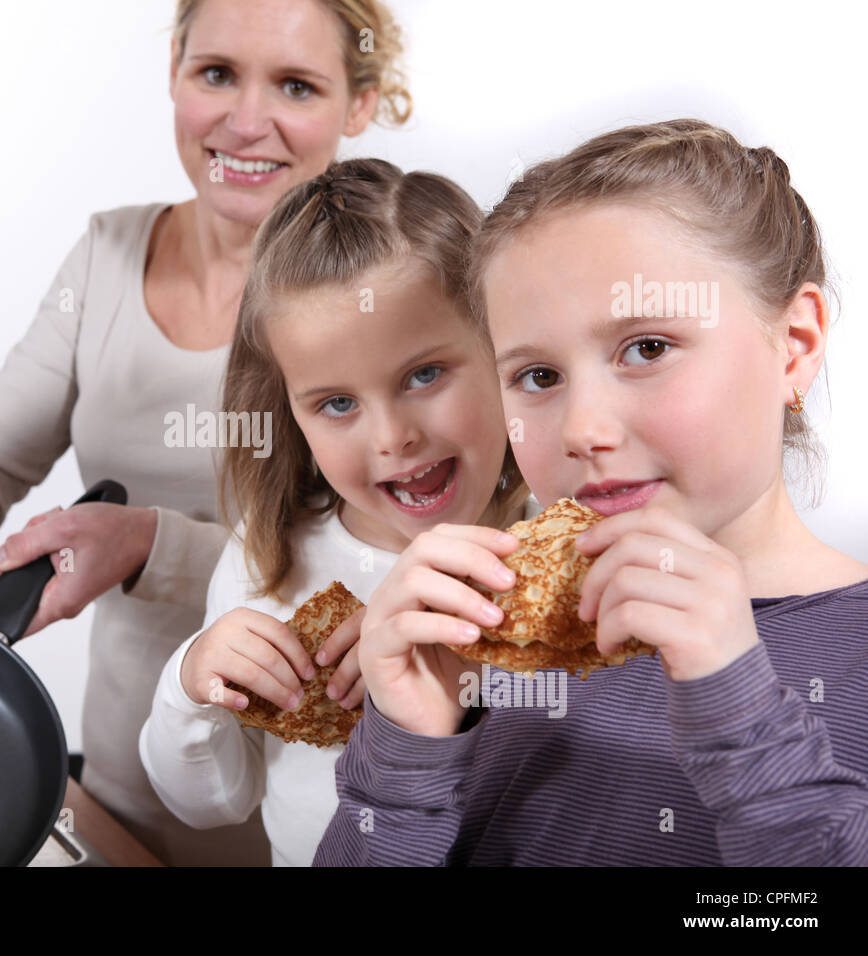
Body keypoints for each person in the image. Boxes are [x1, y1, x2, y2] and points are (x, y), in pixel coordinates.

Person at [0, 0, 412, 865]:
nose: (247, 122)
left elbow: (388, 565)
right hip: (121, 787)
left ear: (359, 103)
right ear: (174, 67)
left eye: (296, 85)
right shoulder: (108, 255)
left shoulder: (382, 286)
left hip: (314, 808)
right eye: (216, 74)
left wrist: (149, 547)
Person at [315, 119, 868, 866]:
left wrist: (738, 708)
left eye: (646, 349)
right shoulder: (489, 650)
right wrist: (407, 749)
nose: (582, 429)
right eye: (537, 377)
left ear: (793, 347)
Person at [140, 158, 538, 865]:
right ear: (290, 414)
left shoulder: (554, 554)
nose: (392, 438)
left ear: (501, 342)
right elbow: (213, 805)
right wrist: (190, 686)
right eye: (338, 404)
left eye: (424, 374)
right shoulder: (269, 563)